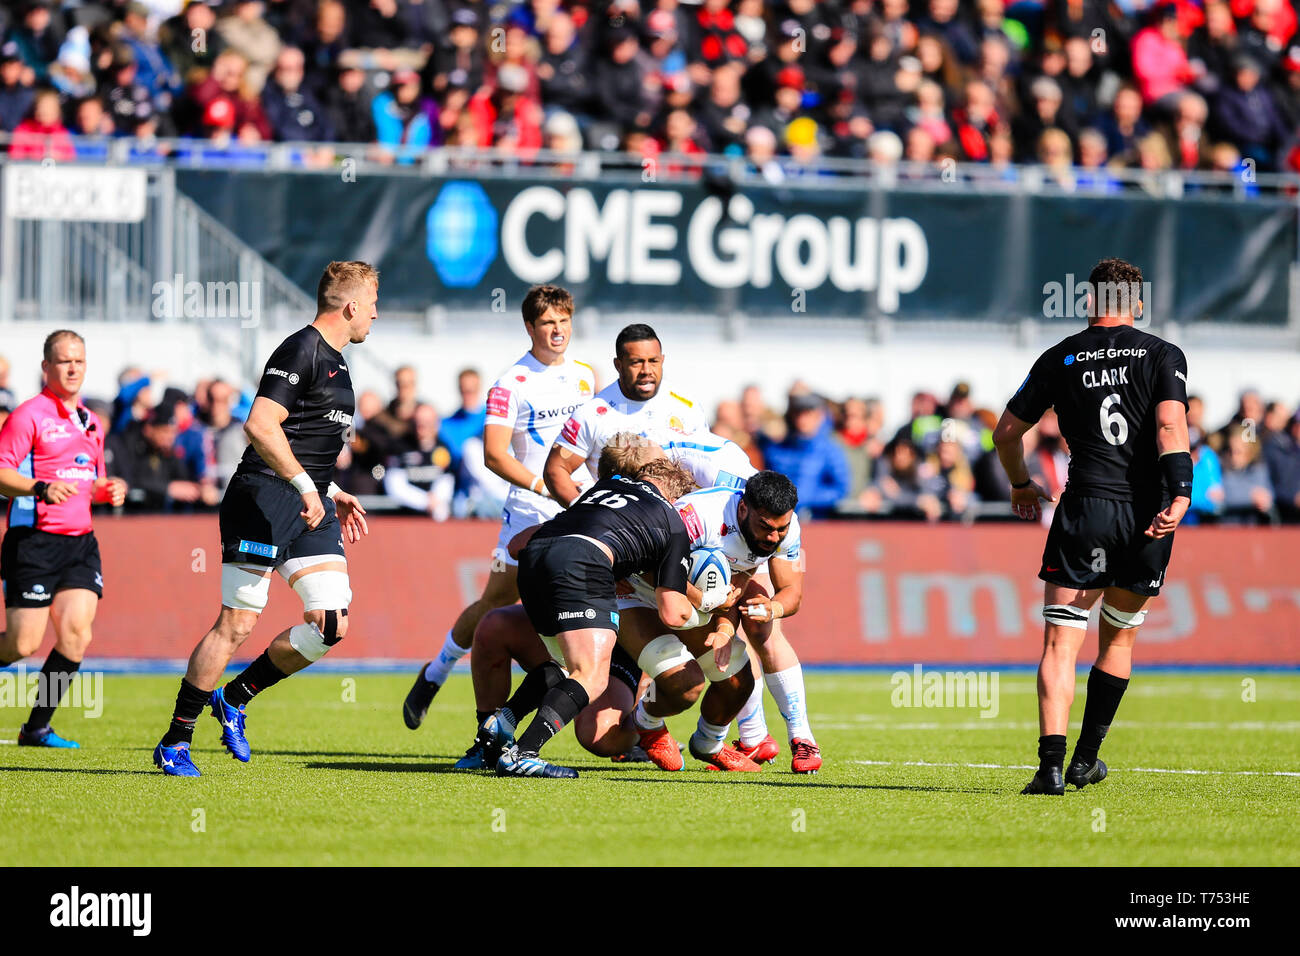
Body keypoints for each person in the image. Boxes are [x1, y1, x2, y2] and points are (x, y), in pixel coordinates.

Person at [152, 261, 377, 777]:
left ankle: (234, 698)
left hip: (310, 502)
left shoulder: (340, 362)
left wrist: (329, 488)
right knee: (237, 623)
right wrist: (305, 484)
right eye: (372, 304)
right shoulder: (302, 349)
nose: (375, 315)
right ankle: (175, 740)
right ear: (350, 306)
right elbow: (260, 424)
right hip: (264, 499)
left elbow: (300, 439)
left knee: (331, 622)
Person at [993, 257, 1191, 795]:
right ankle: (1086, 759)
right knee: (1119, 642)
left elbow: (1005, 433)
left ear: (1088, 304)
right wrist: (1181, 493)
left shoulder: (1061, 357)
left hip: (1084, 511)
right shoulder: (1162, 354)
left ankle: (1049, 768)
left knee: (1060, 643)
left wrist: (1020, 484)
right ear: (1139, 306)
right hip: (1146, 514)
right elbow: (1171, 426)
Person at [402, 286, 595, 738]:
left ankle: (633, 724)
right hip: (530, 511)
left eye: (564, 321)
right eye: (548, 323)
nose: (558, 331)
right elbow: (494, 454)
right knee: (495, 603)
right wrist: (543, 486)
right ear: (530, 327)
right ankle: (436, 673)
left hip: (579, 508)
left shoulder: (585, 374)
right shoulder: (510, 383)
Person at [495, 459, 702, 778]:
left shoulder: (607, 486)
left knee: (566, 667)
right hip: (583, 561)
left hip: (536, 555)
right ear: (677, 498)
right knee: (591, 675)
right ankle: (524, 754)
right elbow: (673, 611)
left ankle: (500, 724)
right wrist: (709, 604)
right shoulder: (673, 519)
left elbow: (520, 543)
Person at [0, 331, 128, 747]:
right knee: (22, 643)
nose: (72, 368)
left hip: (79, 544)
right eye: (63, 361)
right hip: (33, 541)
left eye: (79, 361)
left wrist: (107, 490)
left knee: (76, 634)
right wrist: (39, 488)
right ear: (46, 368)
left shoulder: (91, 421)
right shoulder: (28, 415)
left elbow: (88, 481)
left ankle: (36, 727)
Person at [542, 323, 707, 506]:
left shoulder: (687, 405)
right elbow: (556, 469)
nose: (646, 370)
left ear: (662, 360)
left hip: (678, 522)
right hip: (621, 526)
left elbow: (705, 464)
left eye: (654, 361)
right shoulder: (591, 414)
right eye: (636, 362)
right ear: (618, 365)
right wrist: (585, 514)